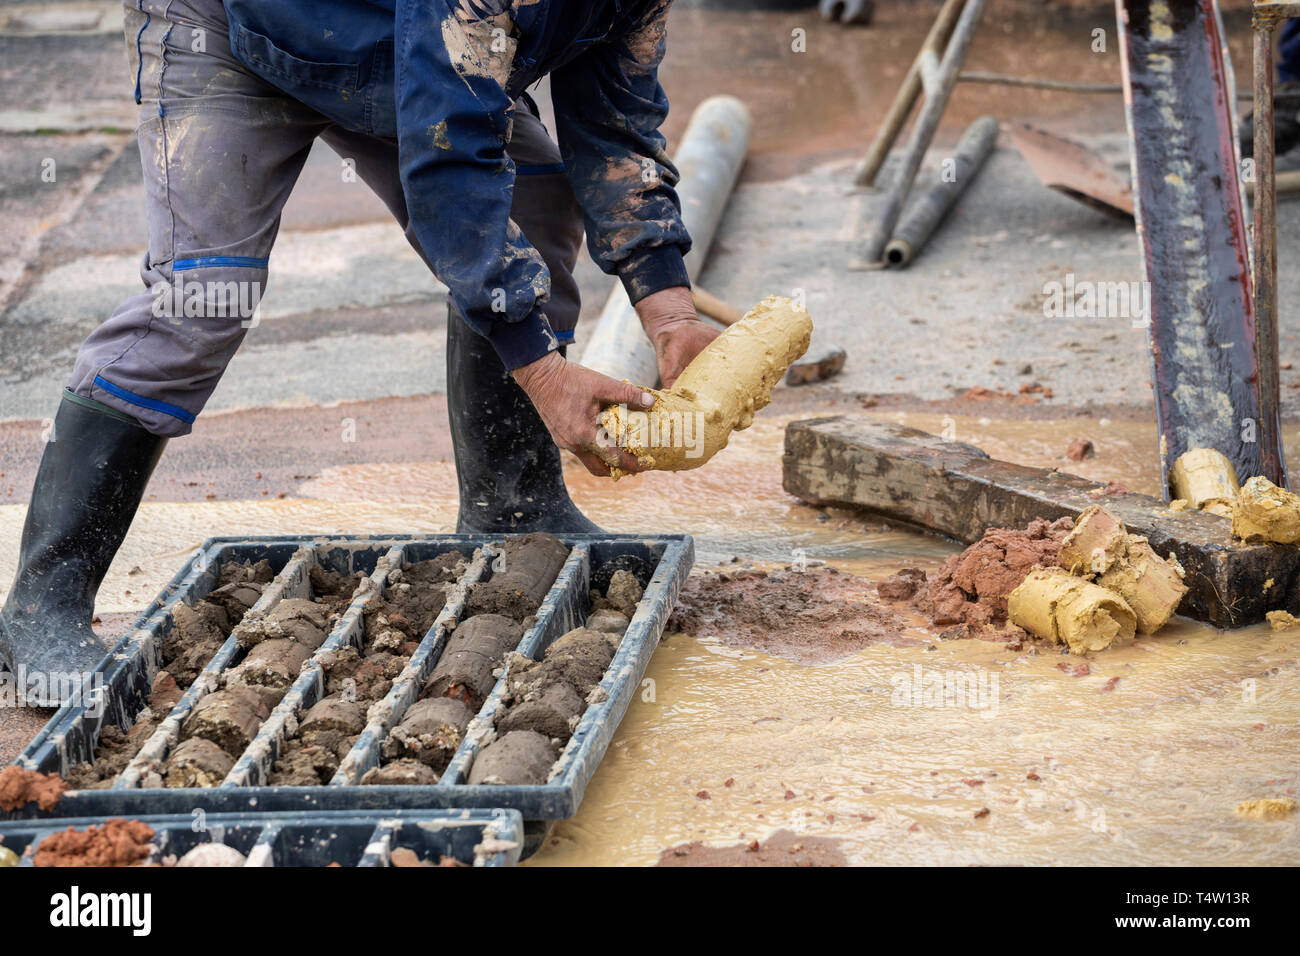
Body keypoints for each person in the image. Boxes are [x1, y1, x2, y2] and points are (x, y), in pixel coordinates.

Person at [0, 0, 719, 705]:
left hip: (400, 58)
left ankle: (513, 509)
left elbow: (617, 131)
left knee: (532, 201)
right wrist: (543, 371)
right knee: (201, 301)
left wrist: (669, 310)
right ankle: (43, 604)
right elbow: (452, 160)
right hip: (231, 30)